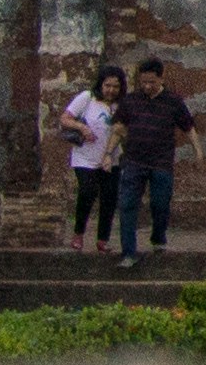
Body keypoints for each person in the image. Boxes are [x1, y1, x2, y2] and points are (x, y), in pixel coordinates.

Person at [108, 61, 196, 266]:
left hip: (161, 162)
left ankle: (158, 236)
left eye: (151, 82)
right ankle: (128, 252)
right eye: (144, 82)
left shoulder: (173, 102)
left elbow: (189, 127)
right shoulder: (130, 101)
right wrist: (107, 153)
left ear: (161, 78)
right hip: (134, 160)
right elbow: (118, 128)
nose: (147, 86)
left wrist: (197, 150)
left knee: (160, 203)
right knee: (127, 204)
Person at [59, 68, 121, 252]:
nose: (110, 90)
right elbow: (65, 118)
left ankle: (103, 239)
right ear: (100, 85)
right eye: (107, 86)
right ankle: (78, 232)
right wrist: (82, 128)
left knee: (109, 197)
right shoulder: (87, 98)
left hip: (111, 158)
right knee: (87, 191)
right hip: (85, 158)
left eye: (115, 87)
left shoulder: (121, 105)